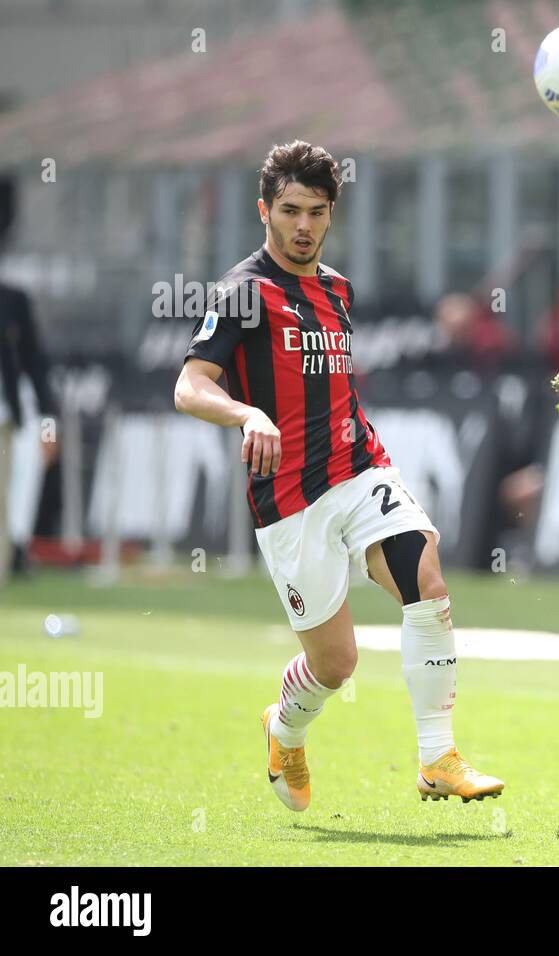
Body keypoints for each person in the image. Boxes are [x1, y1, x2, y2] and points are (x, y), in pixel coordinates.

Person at [174, 140, 502, 812]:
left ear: (331, 215)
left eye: (316, 212)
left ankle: (437, 756)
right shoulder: (244, 293)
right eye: (289, 210)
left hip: (358, 468)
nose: (302, 225)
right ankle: (284, 727)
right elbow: (188, 386)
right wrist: (246, 414)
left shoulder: (338, 290)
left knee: (427, 579)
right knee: (336, 665)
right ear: (264, 210)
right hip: (289, 499)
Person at [0, 182, 59, 586]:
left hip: (10, 409)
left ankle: (15, 552)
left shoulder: (13, 300)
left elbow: (33, 366)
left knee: (17, 484)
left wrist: (46, 422)